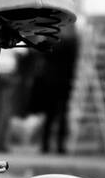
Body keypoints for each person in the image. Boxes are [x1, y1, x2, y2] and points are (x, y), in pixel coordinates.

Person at [30, 24, 78, 155]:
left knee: (51, 115)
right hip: (64, 81)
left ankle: (47, 145)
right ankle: (59, 145)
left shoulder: (56, 42)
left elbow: (44, 53)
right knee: (61, 114)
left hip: (52, 82)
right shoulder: (72, 42)